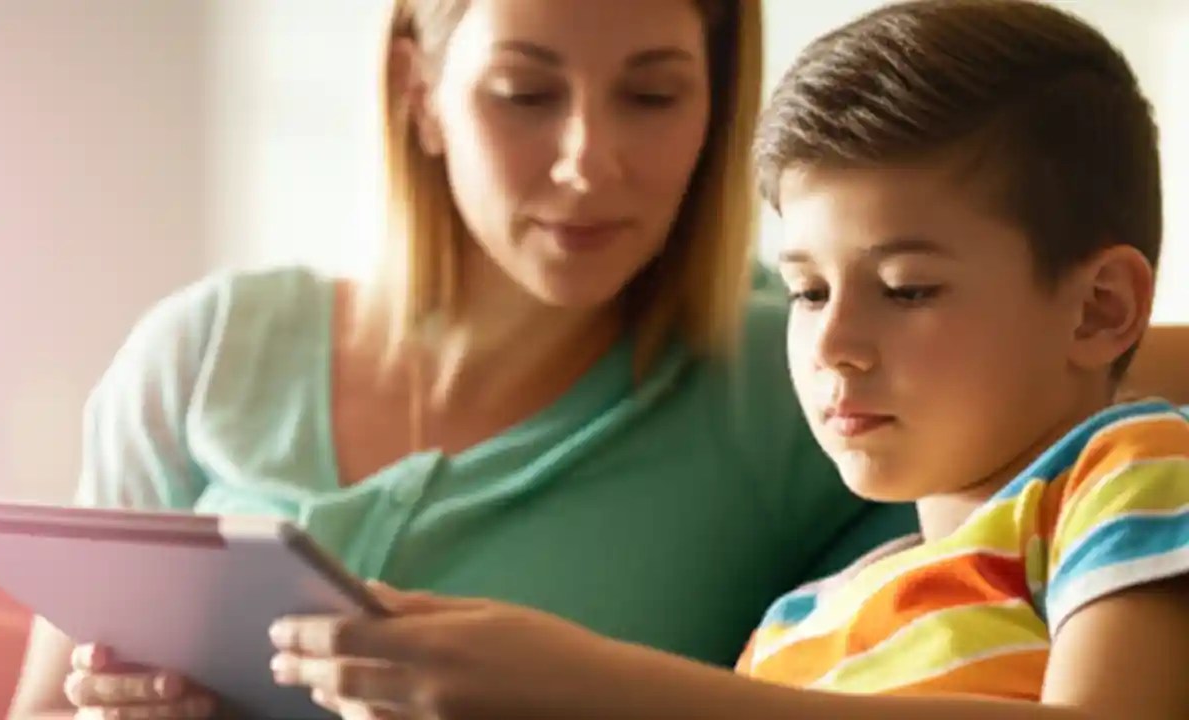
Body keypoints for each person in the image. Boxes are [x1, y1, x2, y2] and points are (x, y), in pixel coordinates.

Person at [274, 1, 1189, 718]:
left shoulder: (1132, 473)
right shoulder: (800, 627)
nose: (832, 344)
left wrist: (596, 687)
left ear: (1101, 308)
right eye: (808, 291)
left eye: (907, 288)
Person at [6, 1, 920, 718]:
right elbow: (44, 709)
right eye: (525, 94)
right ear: (419, 91)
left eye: (651, 97)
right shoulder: (202, 351)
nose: (589, 164)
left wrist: (588, 692)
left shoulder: (812, 377)